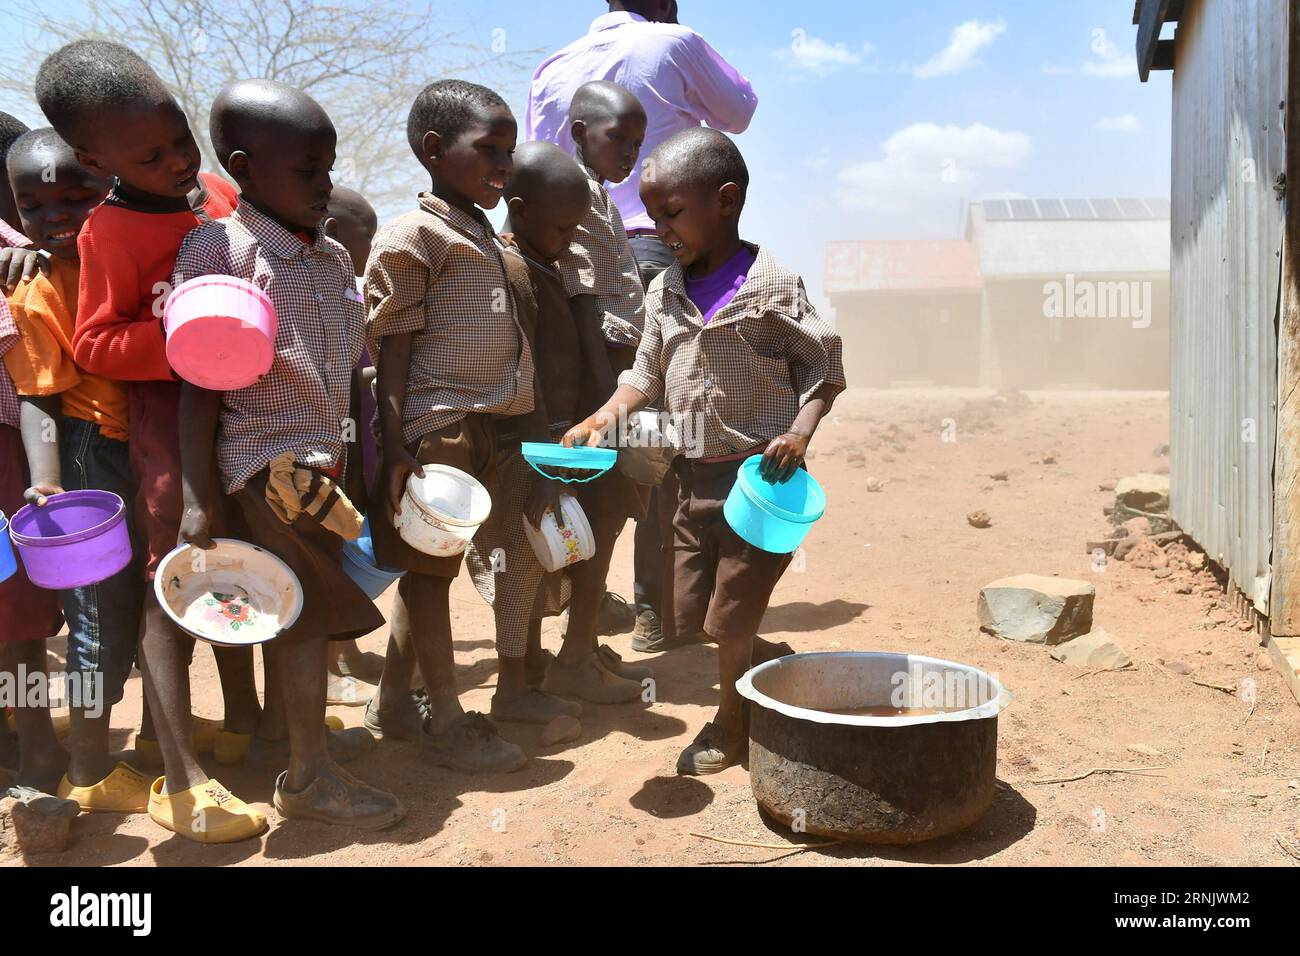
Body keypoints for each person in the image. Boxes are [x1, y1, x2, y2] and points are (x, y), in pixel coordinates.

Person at [35, 39, 264, 841]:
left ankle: (246, 724)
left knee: (247, 563)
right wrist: (187, 330)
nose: (175, 161)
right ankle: (180, 772)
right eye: (151, 154)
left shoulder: (217, 195)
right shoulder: (110, 232)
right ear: (97, 160)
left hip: (251, 414)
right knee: (181, 576)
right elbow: (95, 344)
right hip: (168, 430)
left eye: (179, 140)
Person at [564, 128, 845, 774]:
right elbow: (644, 374)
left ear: (725, 201)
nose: (661, 229)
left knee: (732, 615)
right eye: (653, 215)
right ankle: (761, 655)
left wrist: (800, 432)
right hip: (690, 480)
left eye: (671, 214)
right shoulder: (665, 290)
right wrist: (603, 417)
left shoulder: (772, 286)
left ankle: (732, 723)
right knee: (687, 618)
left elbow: (824, 368)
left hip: (760, 486)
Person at [175, 79, 401, 830]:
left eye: (328, 168)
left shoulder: (334, 256)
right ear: (244, 166)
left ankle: (296, 746)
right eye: (308, 170)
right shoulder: (221, 248)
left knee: (299, 608)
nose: (326, 184)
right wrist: (198, 496)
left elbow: (353, 366)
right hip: (262, 466)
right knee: (300, 616)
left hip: (321, 468)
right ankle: (309, 780)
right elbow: (198, 386)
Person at [527, 0, 758, 651]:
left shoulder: (551, 67)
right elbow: (740, 110)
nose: (628, 150)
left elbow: (531, 161)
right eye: (621, 142)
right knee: (656, 442)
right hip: (649, 257)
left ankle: (584, 603)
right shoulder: (674, 42)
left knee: (585, 436)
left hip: (559, 266)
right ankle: (657, 614)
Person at [364, 80, 532, 771]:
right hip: (443, 428)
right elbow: (391, 353)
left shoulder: (484, 234)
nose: (504, 166)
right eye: (488, 150)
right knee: (431, 576)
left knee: (429, 570)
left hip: (493, 424)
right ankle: (448, 722)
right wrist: (399, 446)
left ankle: (395, 703)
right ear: (435, 151)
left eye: (508, 152)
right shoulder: (415, 236)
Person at [2, 128, 152, 811]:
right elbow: (37, 399)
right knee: (97, 613)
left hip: (148, 445)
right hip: (90, 452)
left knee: (148, 601)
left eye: (76, 197)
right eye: (34, 206)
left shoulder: (127, 256)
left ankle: (128, 748)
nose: (56, 216)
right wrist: (49, 482)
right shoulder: (35, 287)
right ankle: (88, 767)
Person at [464, 141, 591, 723]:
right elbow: (527, 375)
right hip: (522, 450)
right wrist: (542, 463)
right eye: (564, 227)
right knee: (517, 568)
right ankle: (511, 691)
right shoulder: (514, 272)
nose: (571, 238)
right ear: (518, 206)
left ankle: (532, 675)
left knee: (540, 563)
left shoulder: (544, 267)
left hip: (548, 443)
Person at [542, 83, 655, 703]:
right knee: (598, 513)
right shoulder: (576, 194)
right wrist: (601, 397)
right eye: (619, 138)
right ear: (580, 131)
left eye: (638, 142)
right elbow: (583, 300)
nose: (631, 152)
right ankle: (573, 656)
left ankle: (574, 651)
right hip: (599, 376)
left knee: (601, 517)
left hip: (608, 373)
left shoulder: (602, 196)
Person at [321, 186, 386, 703]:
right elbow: (340, 371)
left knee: (355, 540)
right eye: (369, 229)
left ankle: (346, 649)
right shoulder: (324, 293)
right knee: (332, 549)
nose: (376, 239)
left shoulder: (356, 290)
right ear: (334, 232)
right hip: (332, 449)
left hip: (362, 443)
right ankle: (325, 664)